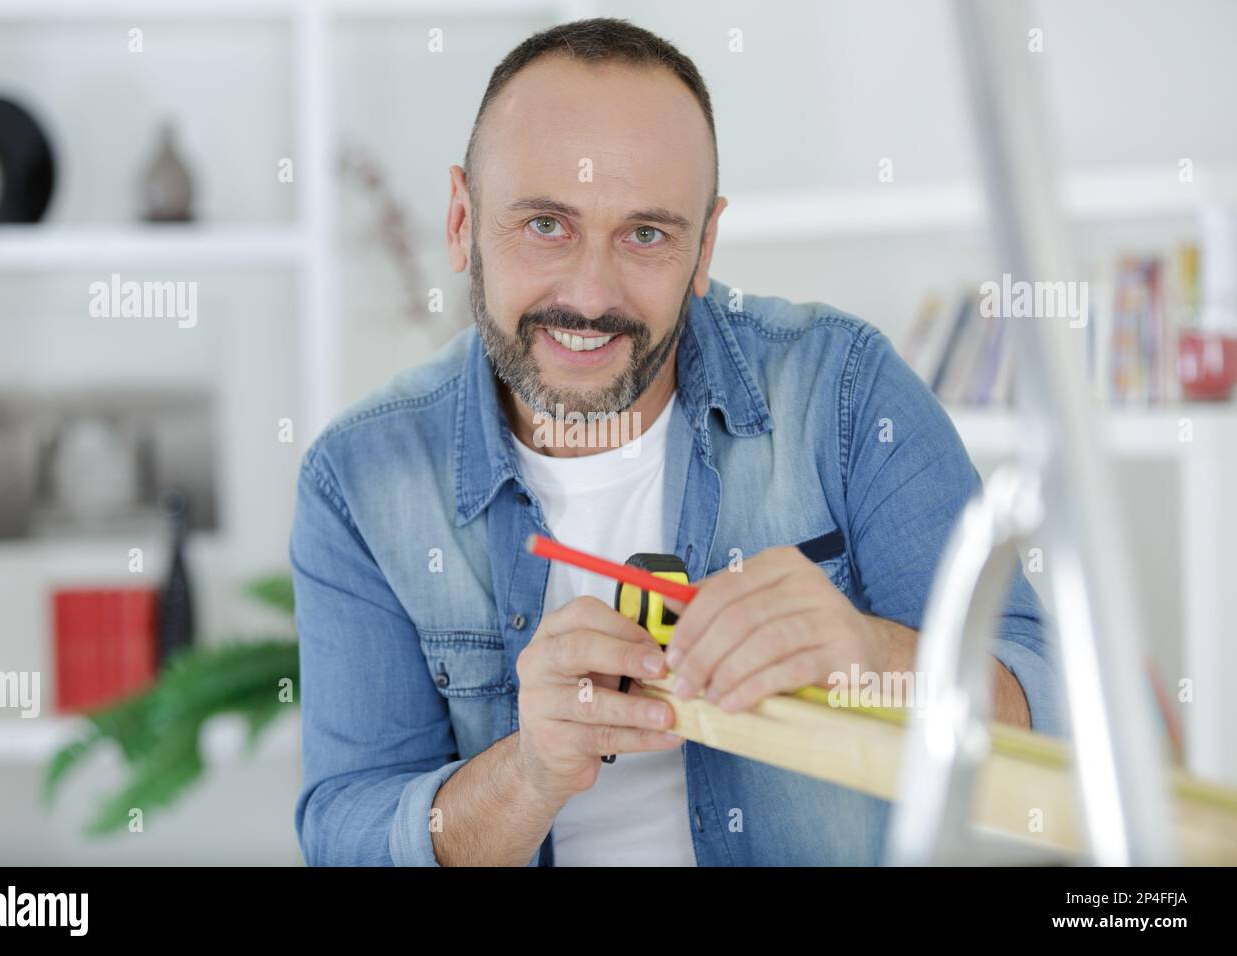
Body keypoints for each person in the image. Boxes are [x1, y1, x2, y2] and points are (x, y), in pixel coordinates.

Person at [290, 17, 1064, 867]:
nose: (590, 295)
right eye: (546, 225)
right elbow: (346, 838)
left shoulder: (843, 392)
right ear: (462, 221)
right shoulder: (360, 477)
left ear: (705, 245)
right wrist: (531, 771)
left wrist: (876, 659)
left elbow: (1060, 716)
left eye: (647, 234)